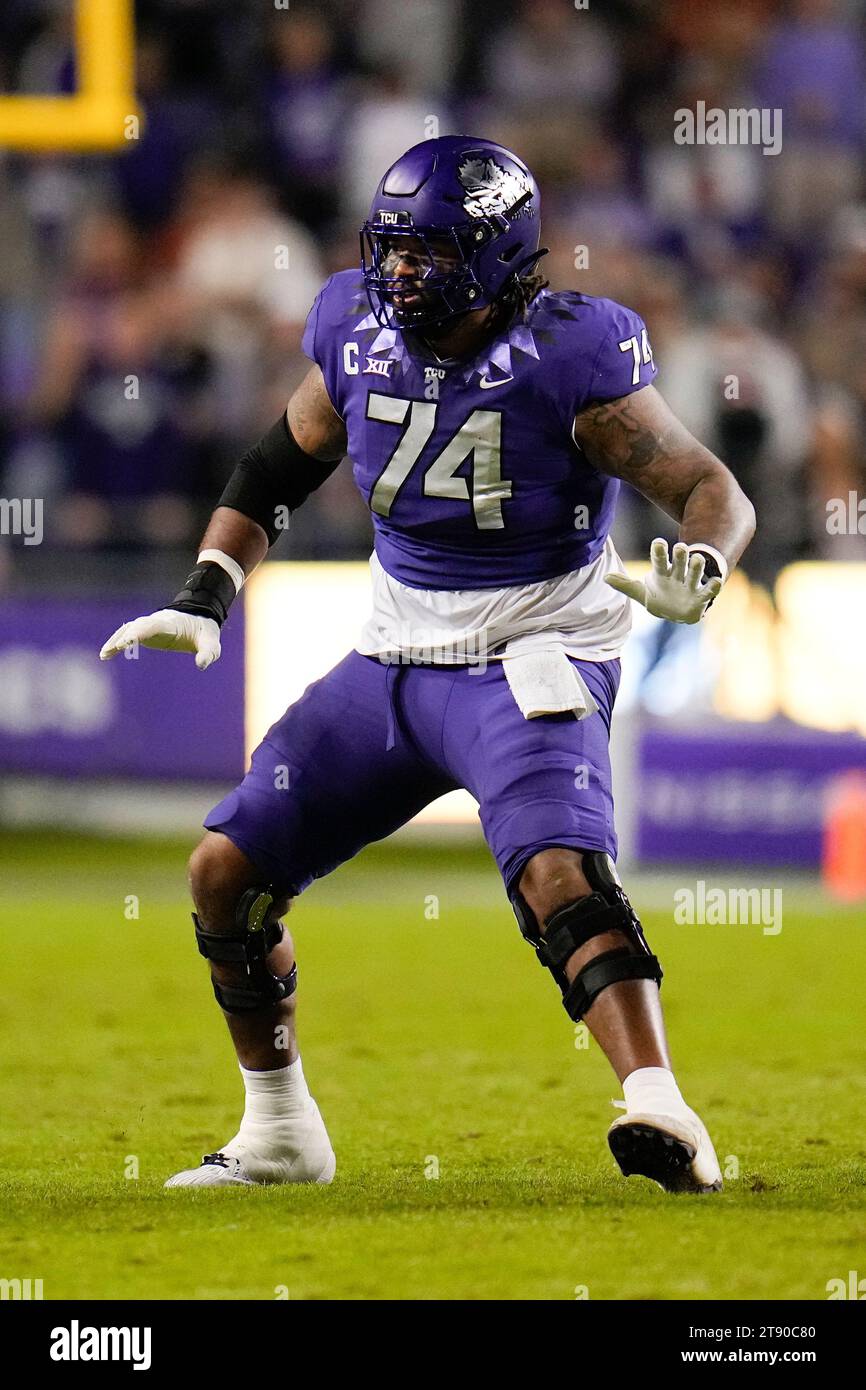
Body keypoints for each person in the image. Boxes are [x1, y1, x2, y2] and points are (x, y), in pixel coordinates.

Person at [100, 137, 755, 1193]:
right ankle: (279, 1130)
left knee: (559, 876)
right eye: (393, 249)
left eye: (432, 253)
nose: (401, 274)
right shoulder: (352, 328)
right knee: (224, 870)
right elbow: (278, 463)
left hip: (530, 652)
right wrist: (205, 591)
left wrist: (706, 561)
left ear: (501, 259)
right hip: (393, 654)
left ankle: (661, 1106)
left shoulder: (572, 357)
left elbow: (706, 485)